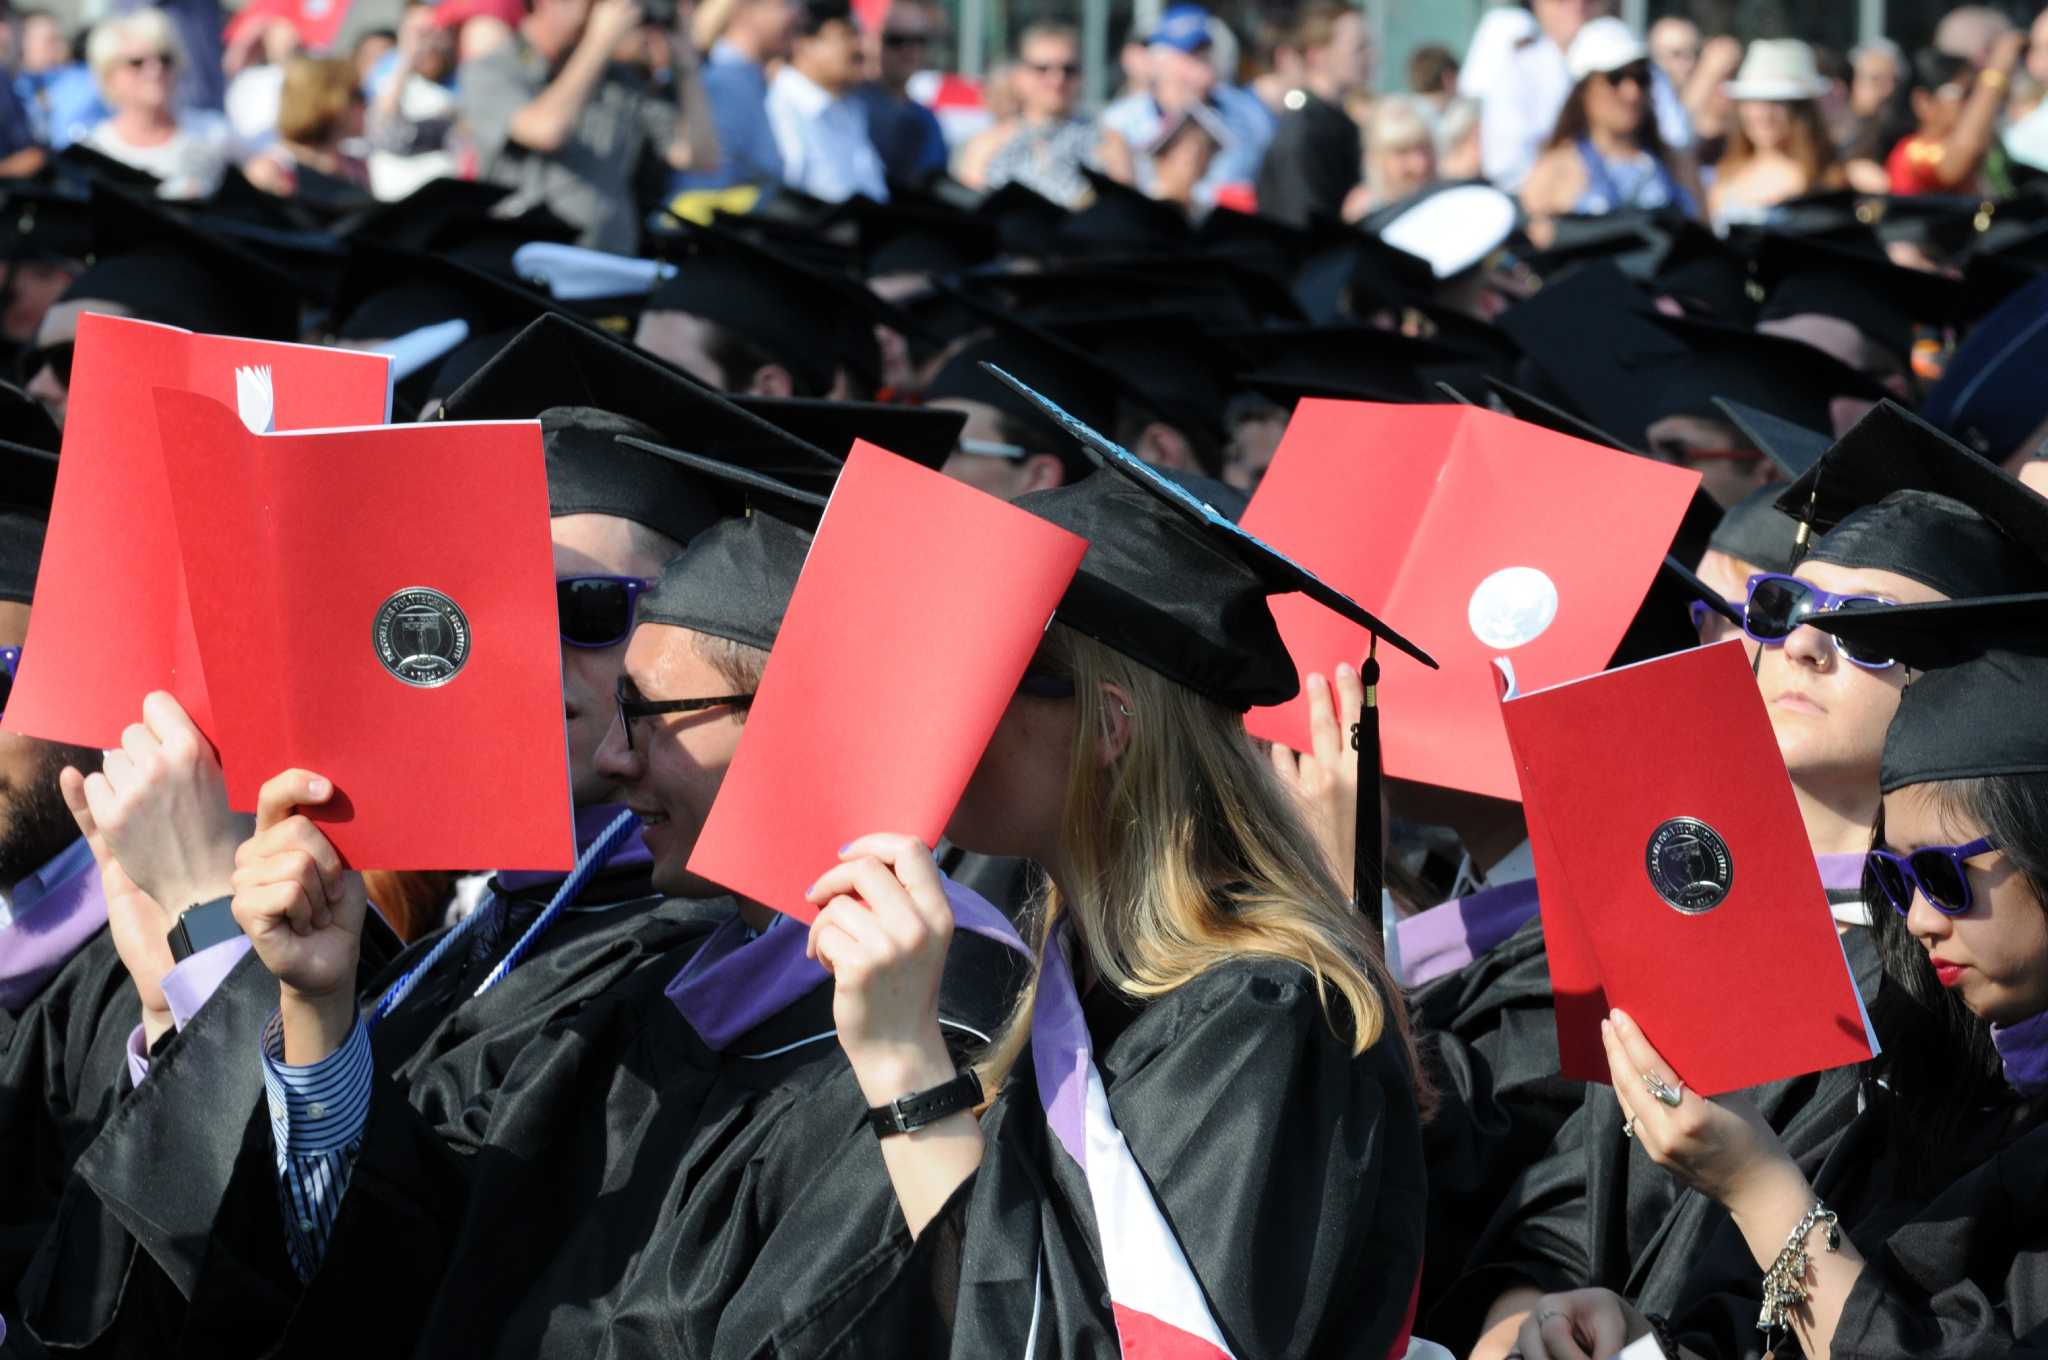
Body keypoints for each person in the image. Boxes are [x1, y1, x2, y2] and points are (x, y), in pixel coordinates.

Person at [773, 464, 1429, 1356]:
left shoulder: (1264, 1019)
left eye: (986, 675)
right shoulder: (1093, 969)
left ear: (1110, 727)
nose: (944, 712)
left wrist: (905, 1069)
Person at [1457, 404, 2048, 1359]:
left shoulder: (1955, 1014)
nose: (1802, 646)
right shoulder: (1690, 904)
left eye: (1867, 633)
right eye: (1782, 608)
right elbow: (1574, 1200)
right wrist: (1521, 1321)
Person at [455, 0, 717, 252]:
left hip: (606, 266)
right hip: (523, 265)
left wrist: (687, 63)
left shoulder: (618, 78)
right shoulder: (493, 67)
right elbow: (547, 130)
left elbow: (697, 156)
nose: (601, 10)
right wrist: (599, 41)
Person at [1520, 18, 1699, 233]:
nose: (1632, 93)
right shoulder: (1553, 172)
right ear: (1585, 89)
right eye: (1615, 78)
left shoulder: (1676, 164)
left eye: (1640, 77)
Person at [1099, 3, 1275, 212]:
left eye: (1206, 52)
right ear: (1160, 63)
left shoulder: (1249, 113)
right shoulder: (1120, 121)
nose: (1201, 64)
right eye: (1190, 55)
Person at [955, 21, 1132, 208]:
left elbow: (1122, 215)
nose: (1057, 79)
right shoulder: (986, 146)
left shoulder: (1109, 143)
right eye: (1042, 69)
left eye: (1068, 70)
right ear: (1019, 75)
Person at [83, 8, 235, 198]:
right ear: (109, 76)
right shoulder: (95, 151)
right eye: (137, 63)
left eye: (165, 59)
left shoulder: (214, 132)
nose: (155, 70)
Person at [1253, 1, 1374, 229]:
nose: (1371, 56)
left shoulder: (1341, 123)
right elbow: (1302, 226)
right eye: (1359, 48)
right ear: (1317, 55)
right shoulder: (1303, 132)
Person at [666, 0, 794, 206]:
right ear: (745, 11)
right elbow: (703, 187)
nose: (796, 14)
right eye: (784, 4)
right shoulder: (723, 82)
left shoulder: (753, 78)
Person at [1708, 39, 1843, 230]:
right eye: (1753, 101)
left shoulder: (1829, 177)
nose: (1763, 114)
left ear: (1802, 112)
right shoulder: (1726, 175)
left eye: (1776, 102)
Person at [764, 0, 887, 202]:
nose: (860, 46)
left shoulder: (849, 107)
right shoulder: (778, 107)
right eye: (847, 35)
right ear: (804, 44)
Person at [1887, 35, 2022, 196]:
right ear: (1923, 102)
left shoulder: (1988, 145)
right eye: (1964, 94)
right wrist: (1996, 72)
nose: (1974, 105)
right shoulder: (1909, 154)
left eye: (1975, 93)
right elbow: (1959, 159)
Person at [850, 0, 947, 188]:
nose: (909, 50)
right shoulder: (850, 108)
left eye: (919, 40)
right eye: (896, 40)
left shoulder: (927, 121)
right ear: (869, 40)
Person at [246, 55, 370, 197]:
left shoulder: (357, 168)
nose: (366, 104)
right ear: (331, 102)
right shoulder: (271, 172)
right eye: (359, 95)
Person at [17, 9, 106, 148]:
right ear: (22, 43)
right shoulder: (14, 88)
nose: (60, 46)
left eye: (61, 39)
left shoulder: (89, 82)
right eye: (50, 40)